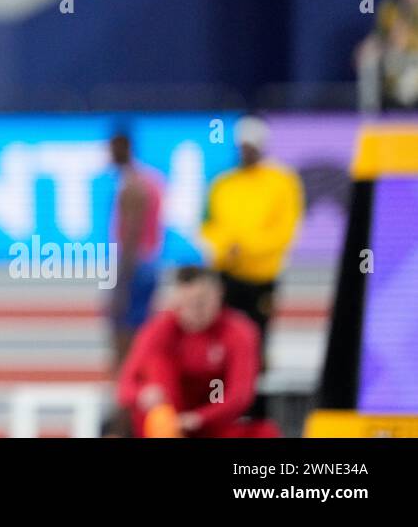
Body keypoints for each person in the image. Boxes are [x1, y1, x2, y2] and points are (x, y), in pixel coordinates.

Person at [199, 116, 303, 389]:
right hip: (228, 274)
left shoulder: (281, 182)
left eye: (251, 147)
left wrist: (244, 248)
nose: (246, 152)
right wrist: (225, 249)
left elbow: (285, 230)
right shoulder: (223, 183)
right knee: (222, 338)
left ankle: (255, 402)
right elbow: (208, 226)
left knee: (257, 338)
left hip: (262, 275)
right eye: (242, 146)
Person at [117, 267, 279, 438]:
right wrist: (142, 394)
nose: (194, 310)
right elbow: (125, 386)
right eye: (185, 303)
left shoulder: (238, 331)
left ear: (218, 295)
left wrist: (200, 418)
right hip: (169, 420)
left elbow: (240, 394)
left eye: (201, 302)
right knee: (158, 365)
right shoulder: (160, 329)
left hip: (216, 421)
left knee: (264, 432)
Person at [106, 131, 164, 374]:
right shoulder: (149, 179)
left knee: (123, 326)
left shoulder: (132, 185)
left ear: (123, 148)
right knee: (141, 327)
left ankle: (126, 388)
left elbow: (132, 234)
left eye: (112, 149)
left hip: (134, 265)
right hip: (148, 262)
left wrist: (120, 282)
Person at [356, 0, 418, 110]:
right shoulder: (389, 9)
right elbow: (379, 39)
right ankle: (369, 116)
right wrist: (371, 47)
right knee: (368, 57)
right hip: (396, 61)